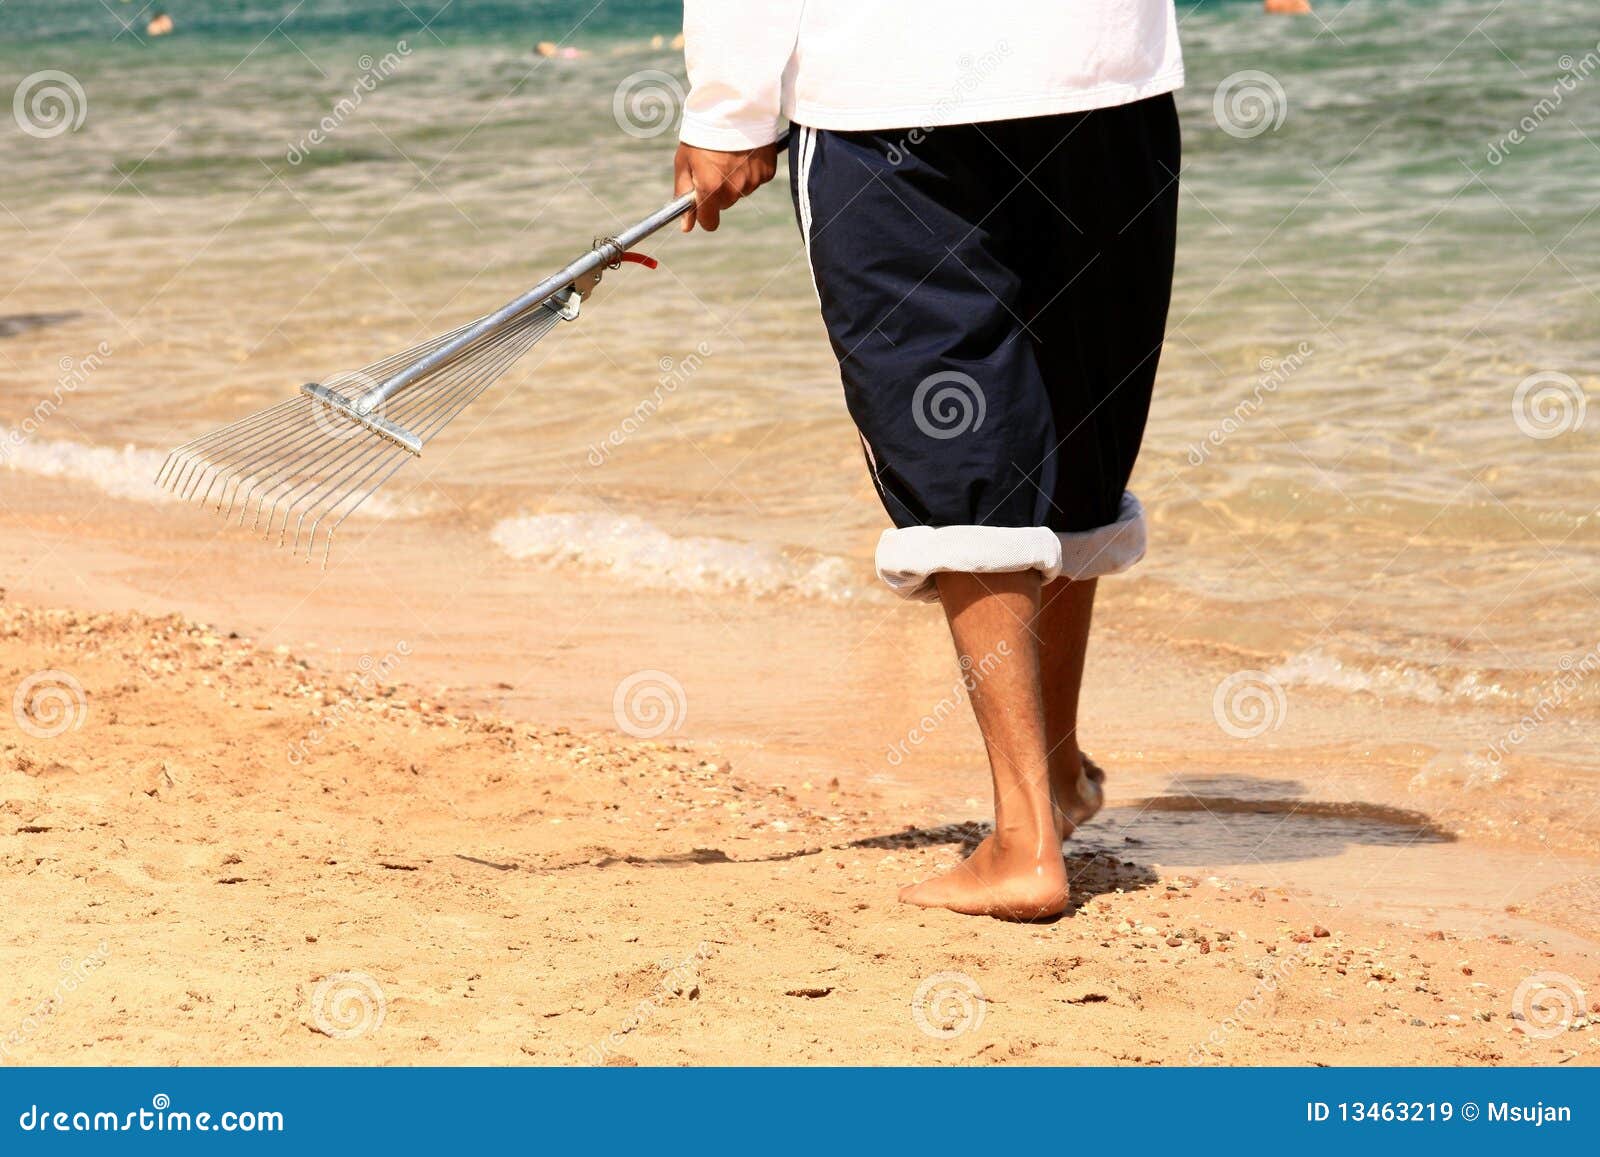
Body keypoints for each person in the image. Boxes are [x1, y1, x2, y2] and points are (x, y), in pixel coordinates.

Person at [674, 2, 1183, 919]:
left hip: (889, 92)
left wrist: (729, 111)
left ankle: (1026, 838)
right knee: (1079, 408)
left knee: (958, 443)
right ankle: (1057, 775)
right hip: (1104, 77)